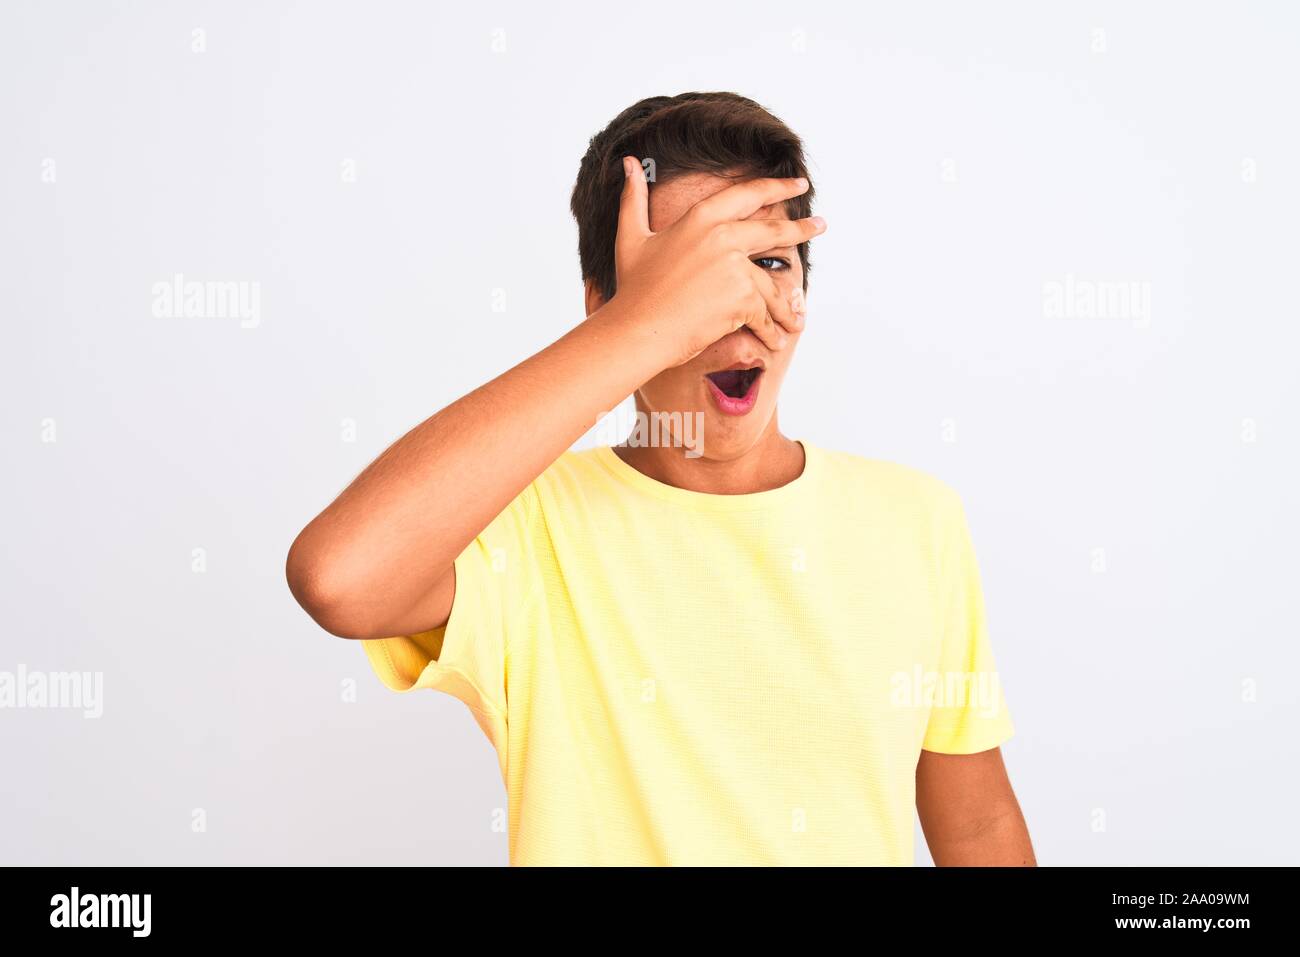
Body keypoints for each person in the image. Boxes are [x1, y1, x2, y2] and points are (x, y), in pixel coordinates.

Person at [287, 91, 1035, 866]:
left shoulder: (915, 521)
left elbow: (977, 825)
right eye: (692, 278)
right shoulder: (522, 524)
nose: (737, 309)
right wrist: (642, 329)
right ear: (607, 310)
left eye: (768, 262)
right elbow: (339, 577)